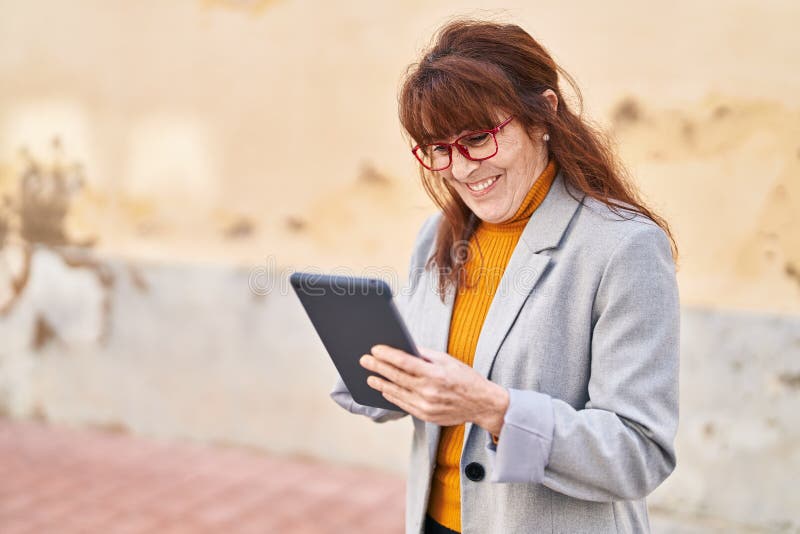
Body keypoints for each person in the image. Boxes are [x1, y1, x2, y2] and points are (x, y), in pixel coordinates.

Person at [331, 18, 679, 534]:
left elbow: (638, 453)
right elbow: (417, 376)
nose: (462, 169)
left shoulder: (624, 246)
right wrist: (377, 370)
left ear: (544, 115)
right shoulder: (439, 235)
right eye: (439, 148)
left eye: (479, 138)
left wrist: (495, 409)